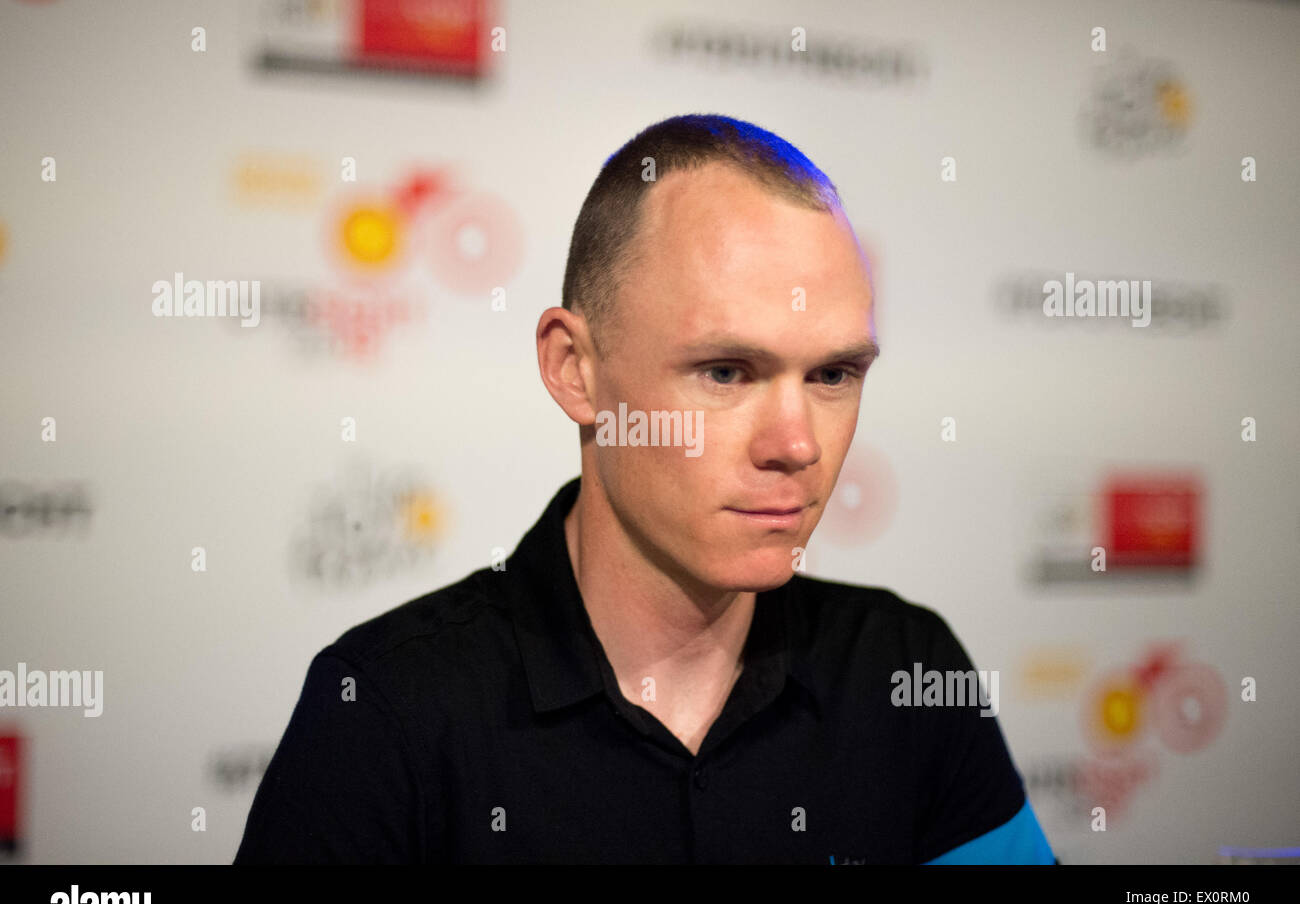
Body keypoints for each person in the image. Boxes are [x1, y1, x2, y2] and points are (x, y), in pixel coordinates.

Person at [234, 113, 1056, 864]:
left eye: (835, 373)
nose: (797, 443)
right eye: (727, 371)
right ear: (575, 370)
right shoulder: (388, 715)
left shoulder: (907, 672)